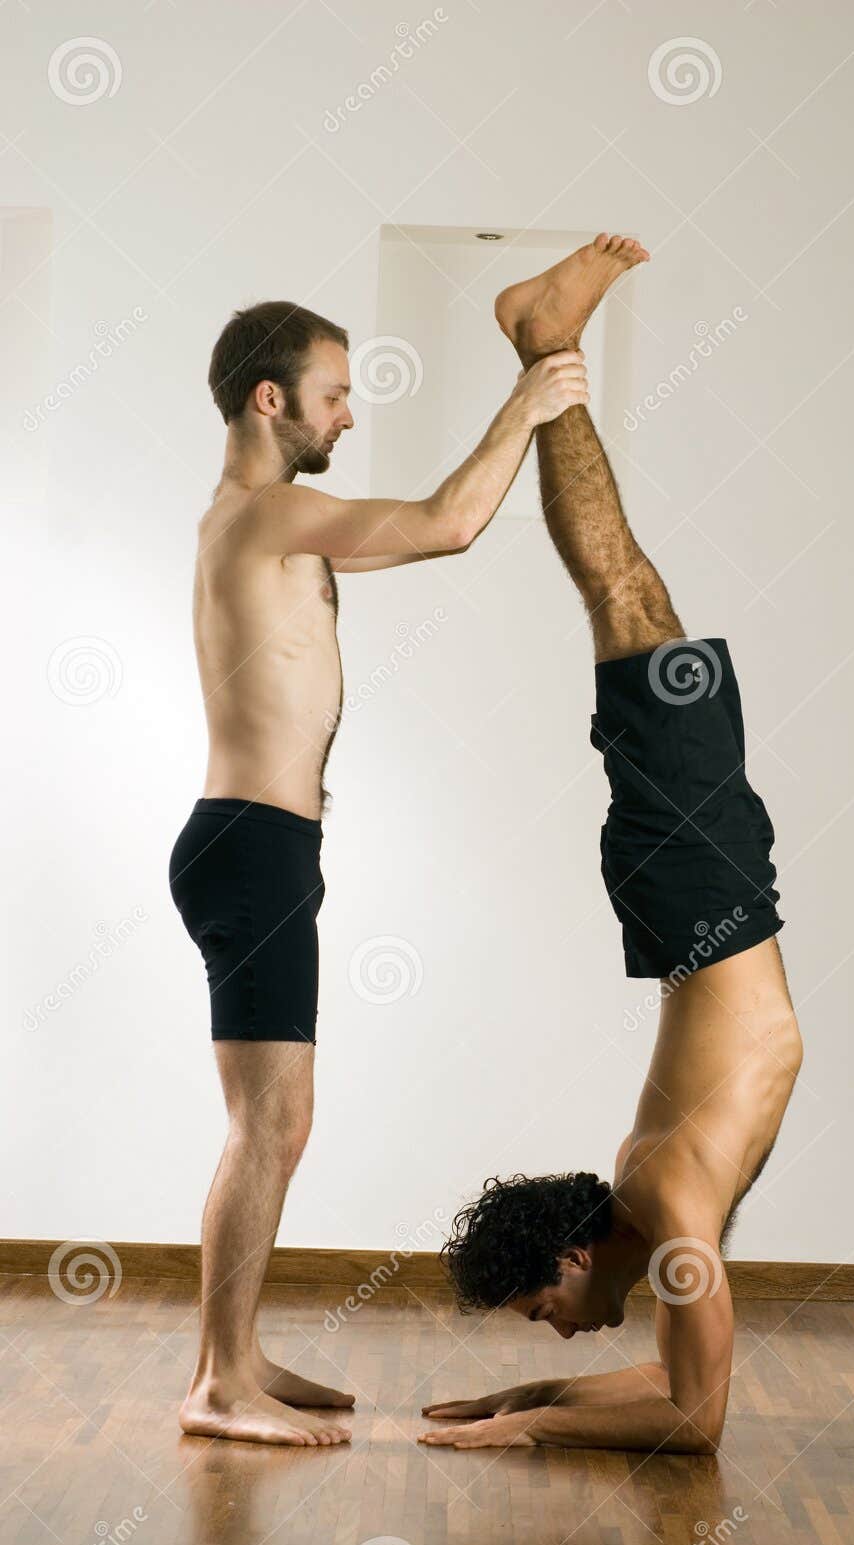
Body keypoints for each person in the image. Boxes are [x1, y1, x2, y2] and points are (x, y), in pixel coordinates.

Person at [168, 299, 587, 1446]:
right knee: (273, 1125)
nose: (349, 414)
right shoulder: (269, 514)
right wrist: (531, 397)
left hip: (266, 845)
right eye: (334, 393)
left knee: (274, 1123)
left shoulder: (254, 520)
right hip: (251, 844)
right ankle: (216, 1387)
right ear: (273, 398)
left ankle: (238, 1357)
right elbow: (451, 523)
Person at [420, 235, 803, 1456]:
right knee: (631, 605)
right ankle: (546, 338)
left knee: (629, 600)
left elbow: (695, 1421)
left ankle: (546, 338)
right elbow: (676, 1392)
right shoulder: (648, 1196)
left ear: (577, 1254)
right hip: (699, 896)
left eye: (544, 1311)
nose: (559, 1331)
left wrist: (530, 1431)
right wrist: (522, 1403)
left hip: (706, 894)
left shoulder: (669, 1199)